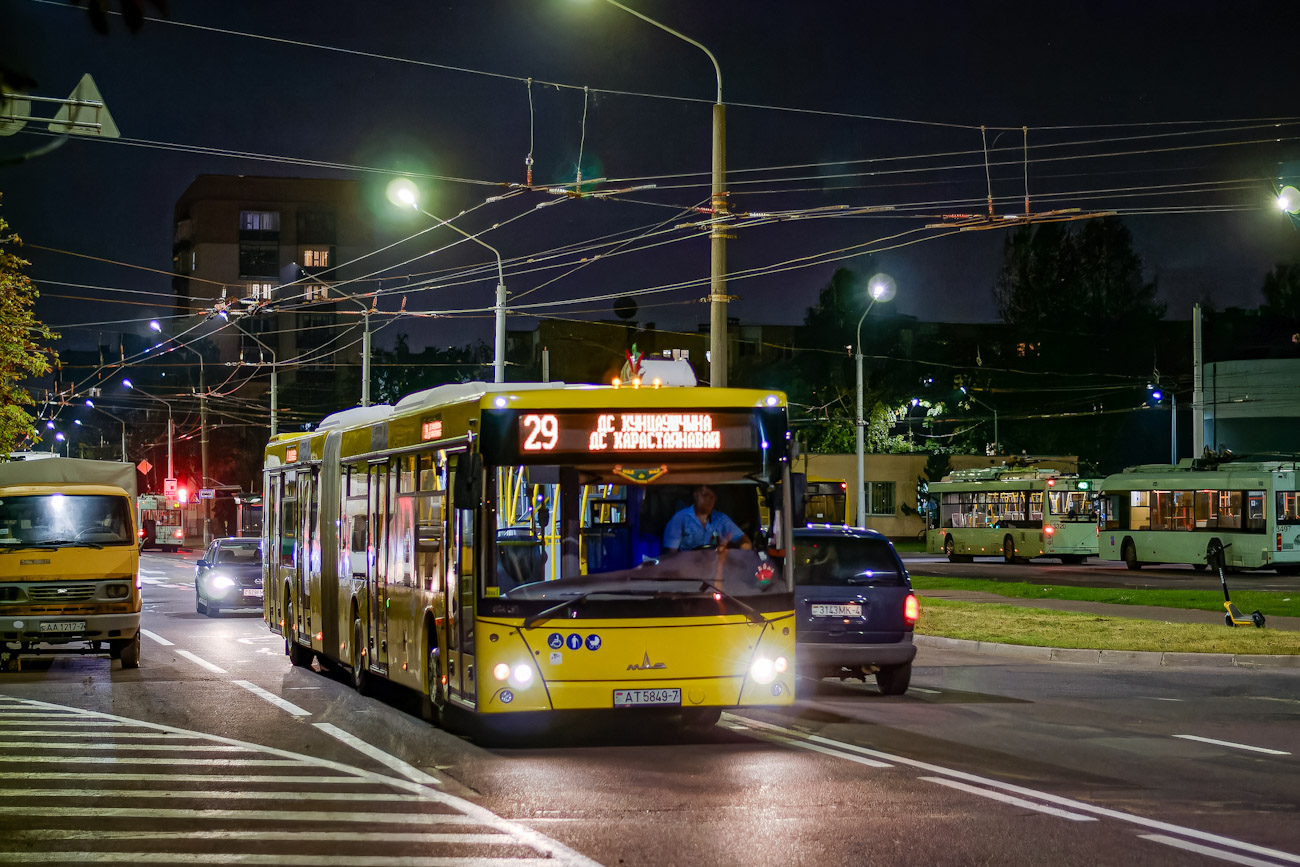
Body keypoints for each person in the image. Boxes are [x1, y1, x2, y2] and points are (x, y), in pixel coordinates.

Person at [662, 485, 751, 552]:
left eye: (711, 497)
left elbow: (745, 543)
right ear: (696, 495)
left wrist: (734, 548)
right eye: (705, 495)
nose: (708, 500)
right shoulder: (680, 519)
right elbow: (671, 554)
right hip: (687, 568)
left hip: (714, 567)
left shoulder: (721, 520)